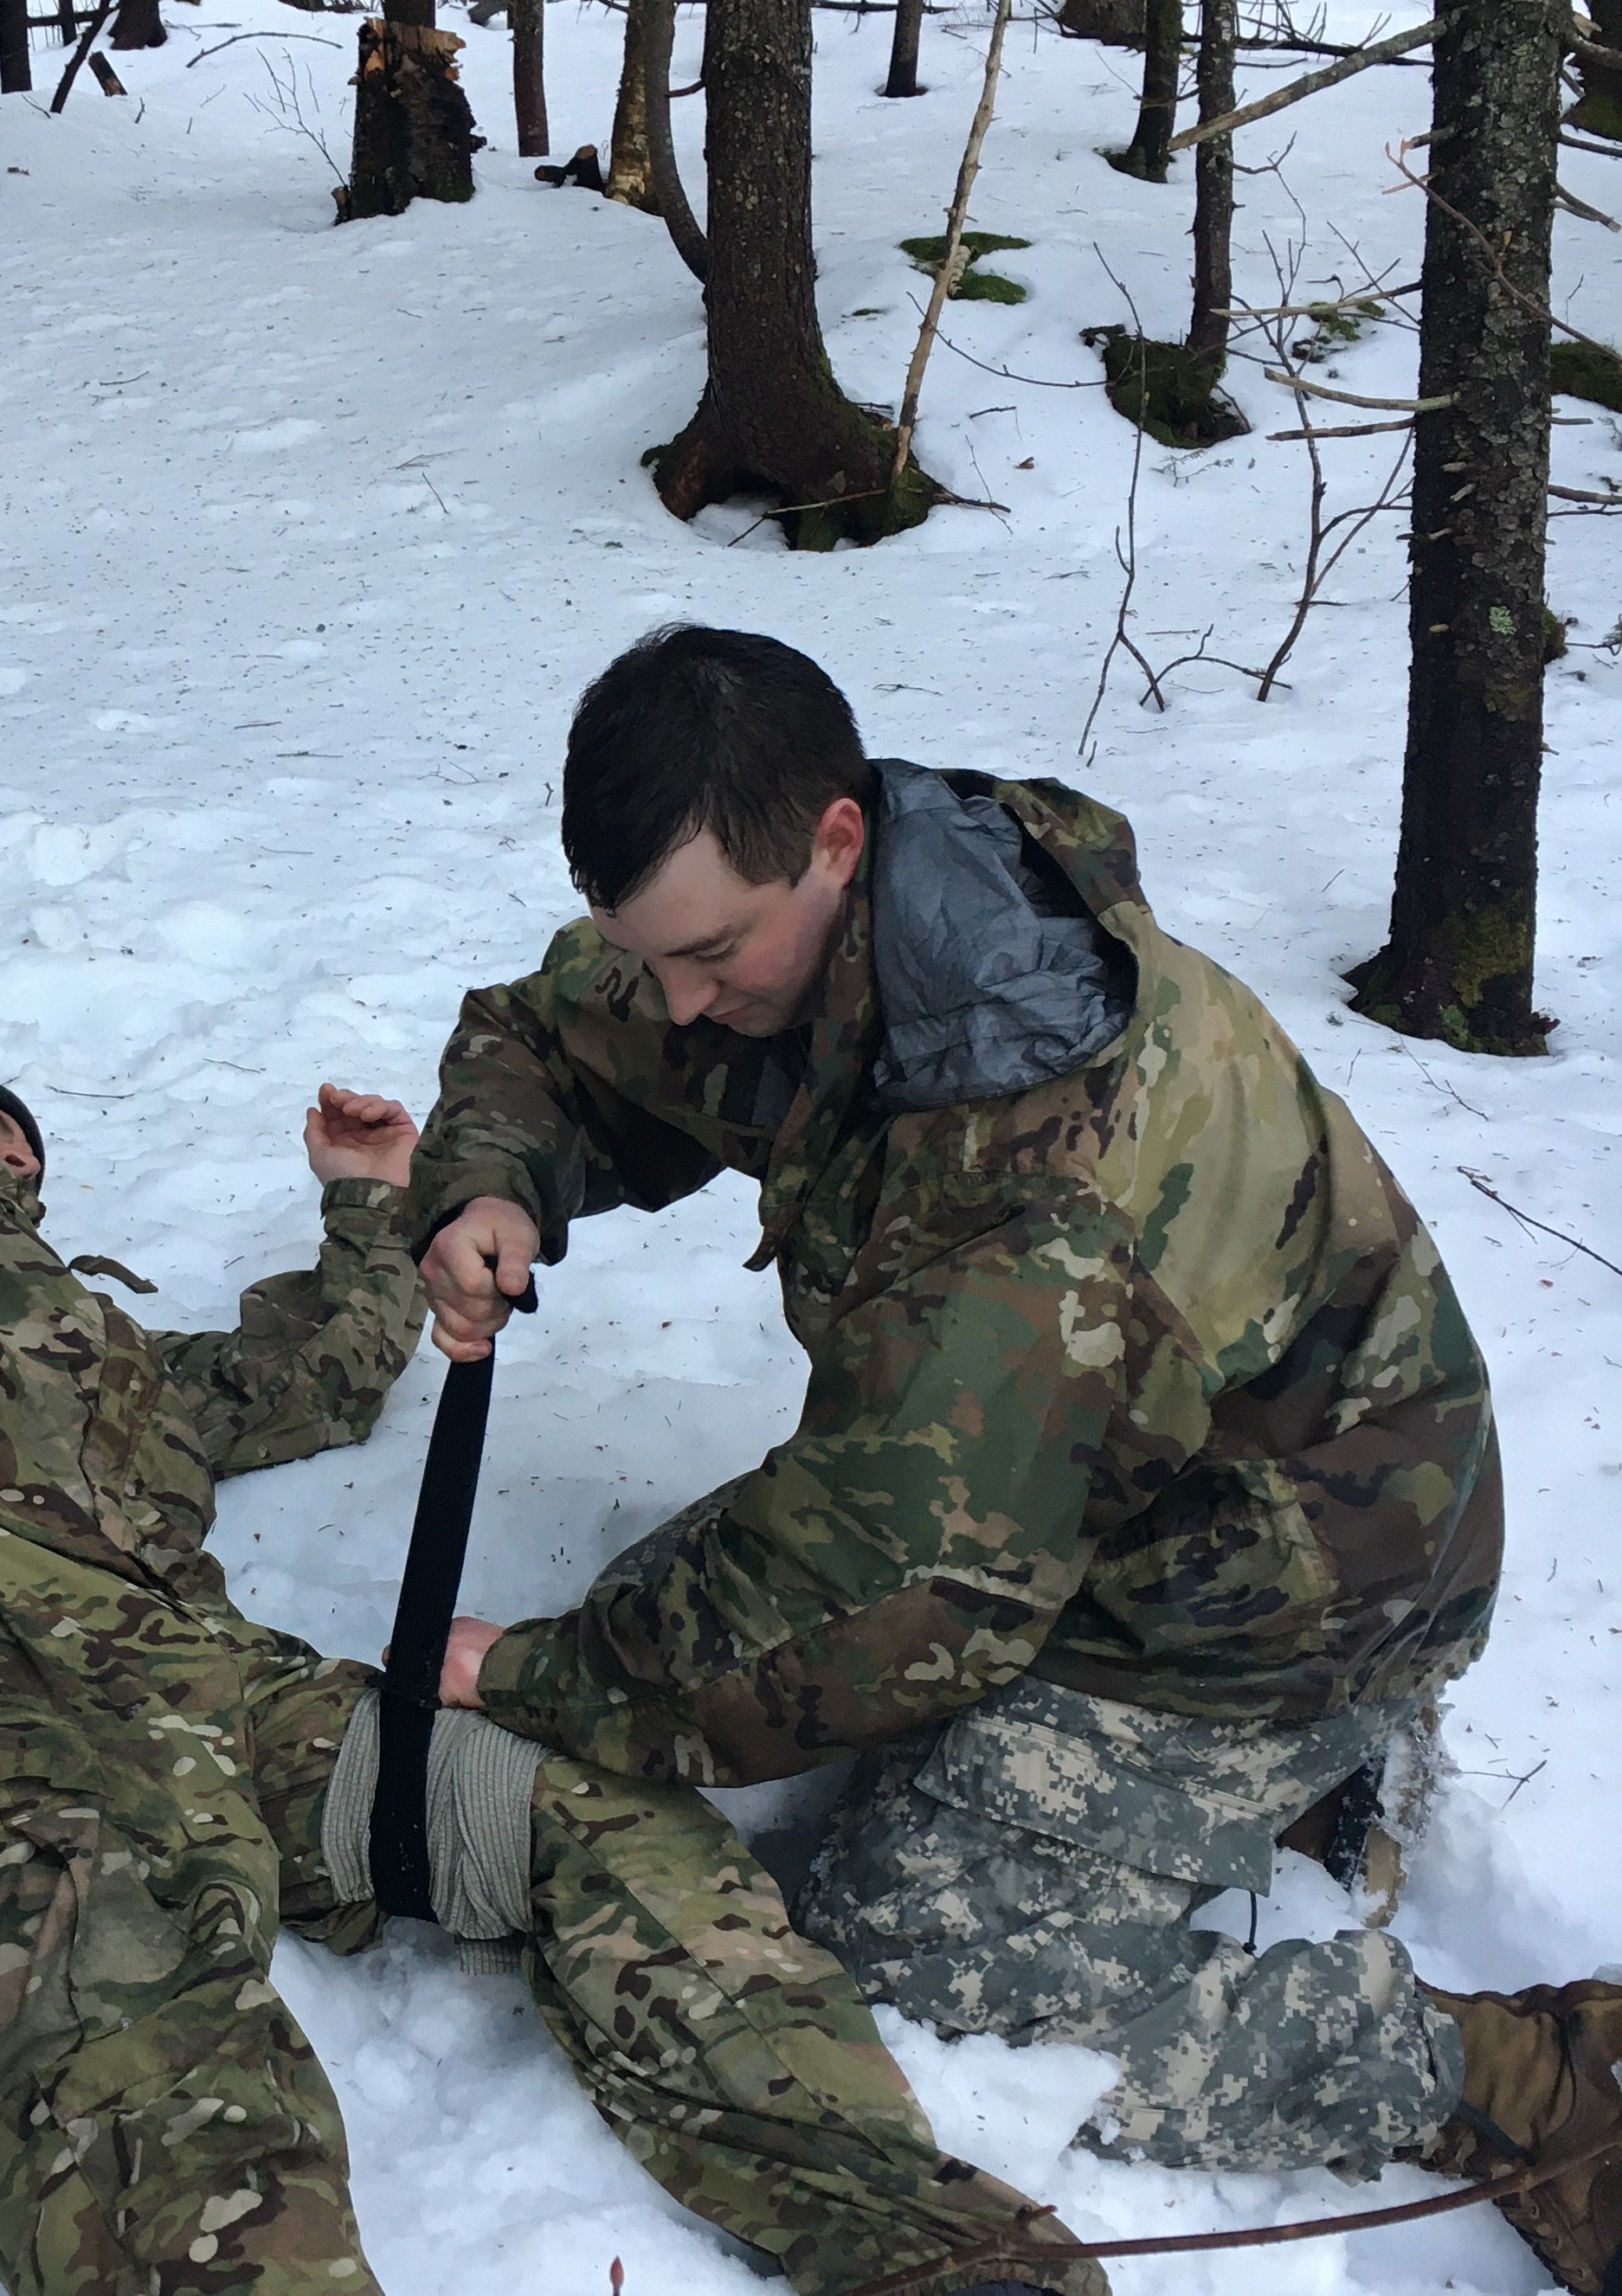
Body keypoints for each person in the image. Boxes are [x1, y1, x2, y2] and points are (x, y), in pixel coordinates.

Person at [0, 831, 1103, 2296]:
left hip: (164, 1662)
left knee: (577, 1808)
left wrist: (370, 1205)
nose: (20, 1165)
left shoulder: (84, 1351)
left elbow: (309, 1375)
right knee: (113, 1985)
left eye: (29, 1155)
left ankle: (926, 2249)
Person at [409, 625, 1620, 2296]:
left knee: (905, 1950)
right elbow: (554, 1035)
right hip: (1087, 1495)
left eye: (706, 955)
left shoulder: (1028, 1163)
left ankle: (1504, 2080)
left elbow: (885, 1598)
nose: (680, 996)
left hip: (1281, 1602)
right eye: (653, 951)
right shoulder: (831, 934)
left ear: (836, 836)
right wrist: (492, 1183)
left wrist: (549, 1675)